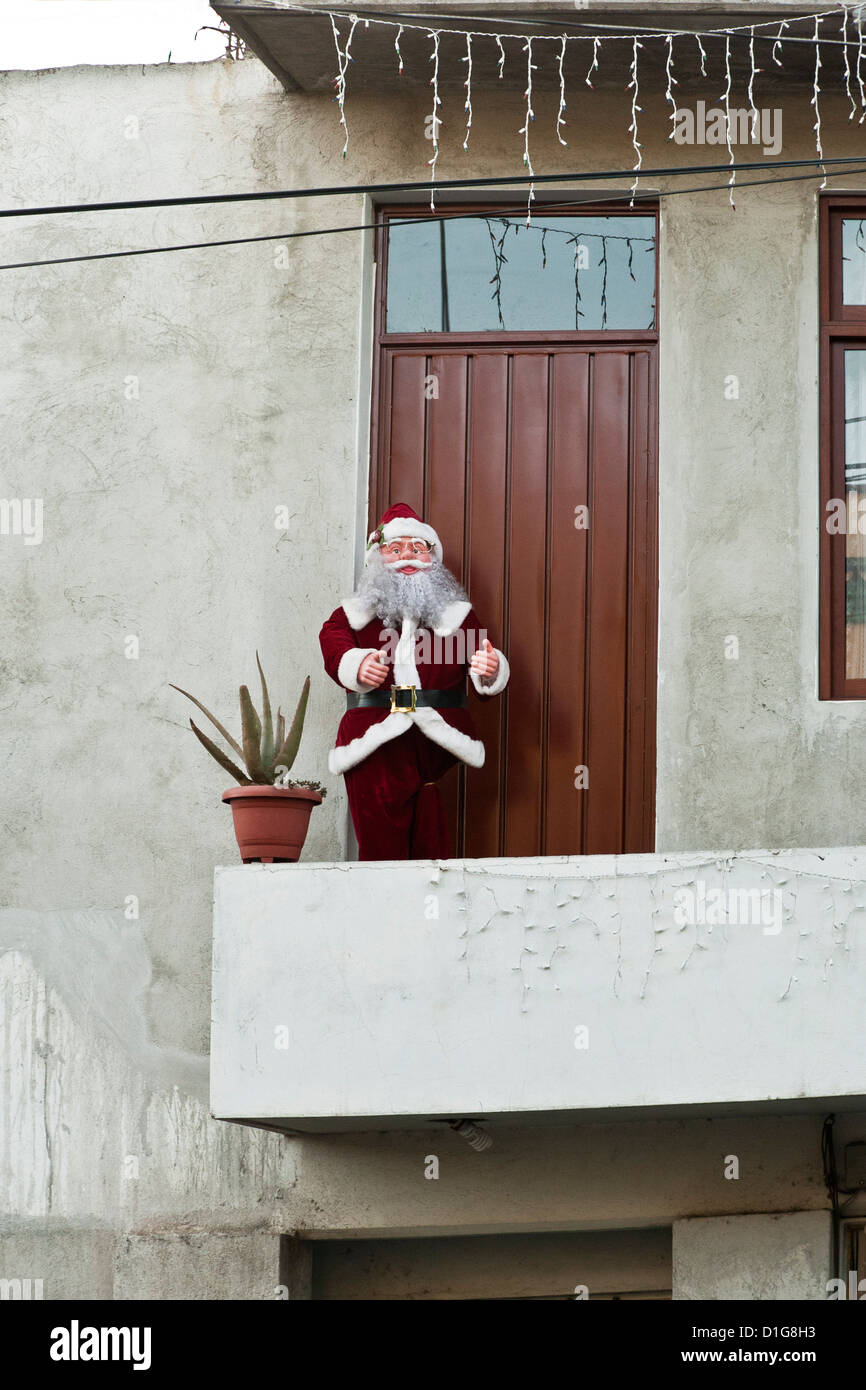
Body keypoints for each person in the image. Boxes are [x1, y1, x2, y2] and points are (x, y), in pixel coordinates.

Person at [319, 502, 509, 860]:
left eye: (417, 548)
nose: (408, 556)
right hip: (373, 739)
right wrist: (356, 665)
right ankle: (386, 906)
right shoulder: (353, 614)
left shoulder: (457, 616)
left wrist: (490, 669)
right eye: (396, 548)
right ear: (378, 558)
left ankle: (430, 909)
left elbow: (480, 657)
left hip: (439, 742)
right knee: (380, 842)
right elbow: (332, 639)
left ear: (432, 558)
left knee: (431, 838)